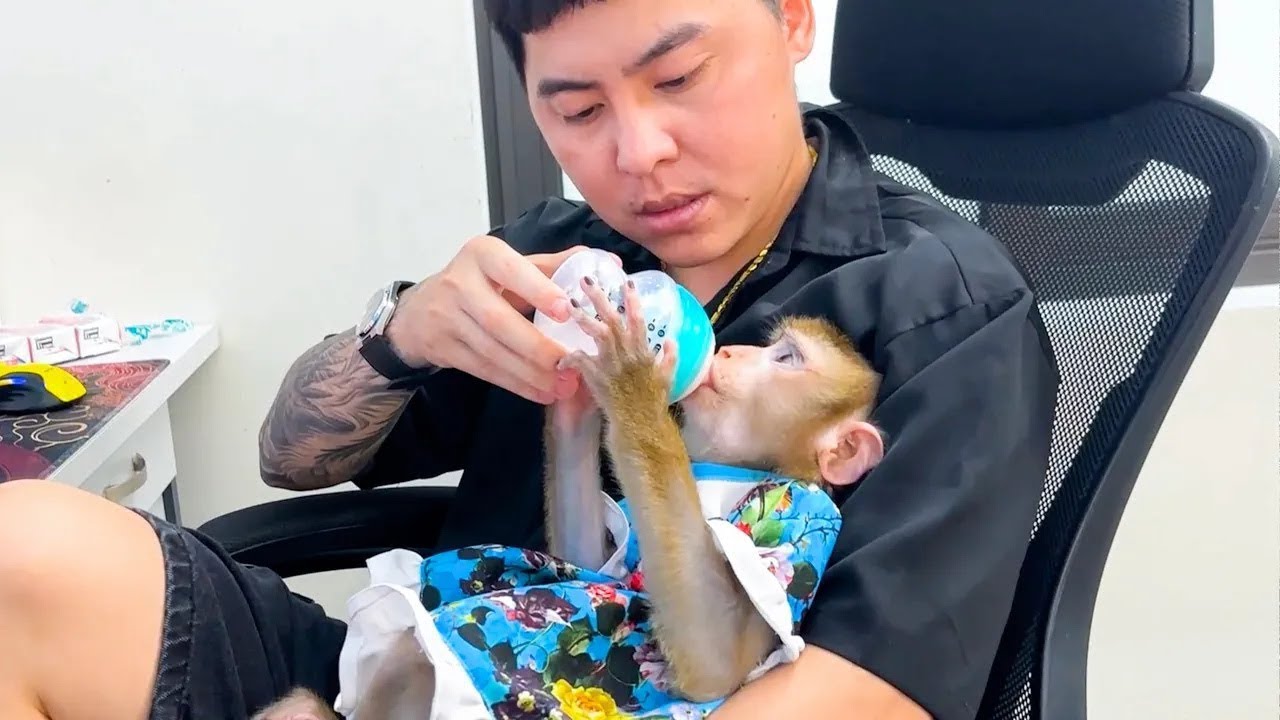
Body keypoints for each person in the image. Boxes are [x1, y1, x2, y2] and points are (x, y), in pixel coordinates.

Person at [0, 1, 1058, 719]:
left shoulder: (940, 310)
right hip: (432, 662)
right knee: (23, 546)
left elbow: (868, 691)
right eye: (578, 109)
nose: (637, 153)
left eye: (679, 76)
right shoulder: (560, 257)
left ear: (790, 19)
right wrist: (401, 336)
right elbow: (293, 460)